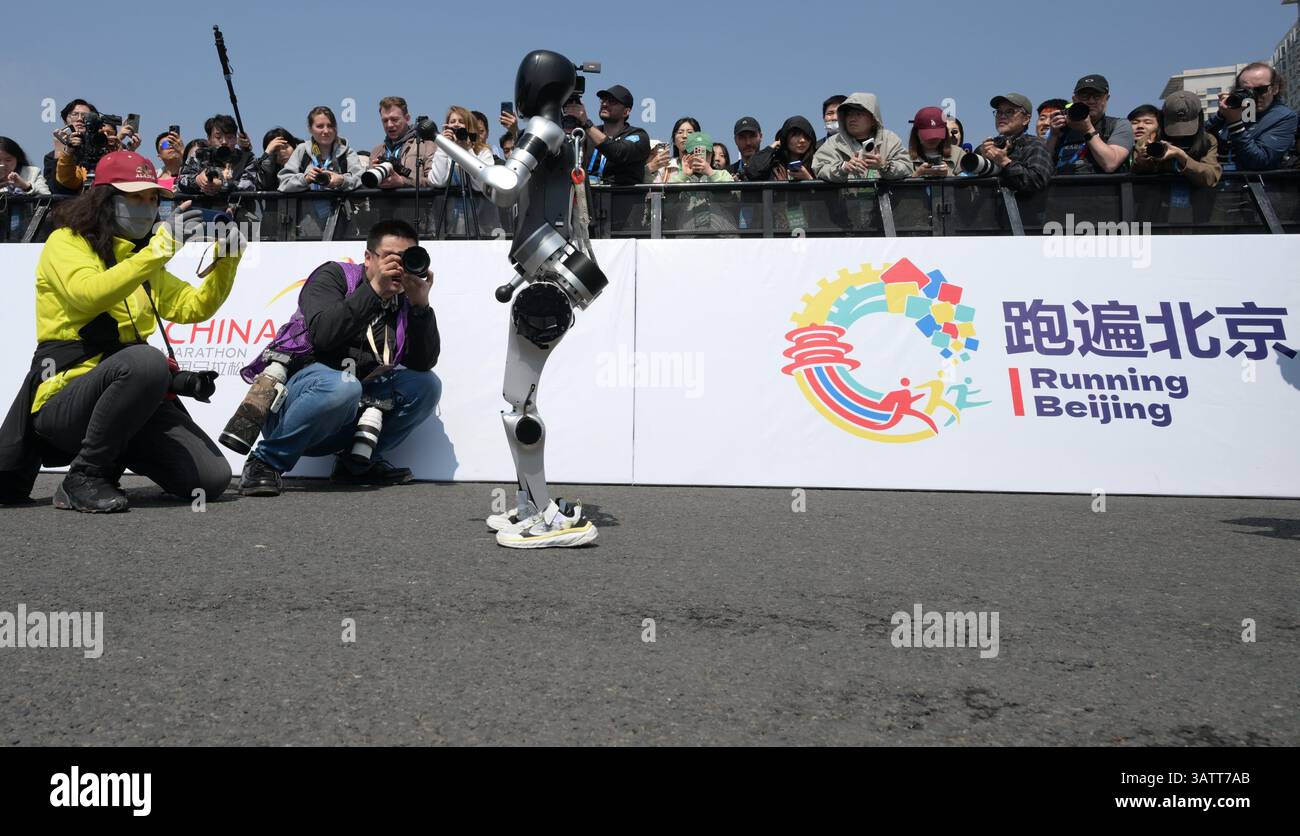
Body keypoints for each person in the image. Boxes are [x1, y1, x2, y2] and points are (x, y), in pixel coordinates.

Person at [0, 151, 244, 510]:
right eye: (135, 197)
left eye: (153, 198)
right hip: (64, 401)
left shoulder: (141, 253)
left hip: (128, 399)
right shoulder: (66, 242)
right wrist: (159, 250)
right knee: (146, 362)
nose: (147, 207)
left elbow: (193, 307)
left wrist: (227, 260)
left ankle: (112, 455)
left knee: (210, 479)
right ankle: (84, 476)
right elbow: (88, 296)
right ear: (104, 199)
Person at [238, 219, 441, 497]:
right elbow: (324, 335)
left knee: (426, 385)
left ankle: (355, 464)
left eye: (407, 260)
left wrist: (420, 307)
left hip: (354, 410)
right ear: (368, 258)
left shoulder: (404, 300)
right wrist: (374, 292)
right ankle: (264, 462)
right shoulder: (333, 276)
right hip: (297, 403)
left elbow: (422, 363)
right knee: (344, 384)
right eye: (391, 259)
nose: (398, 268)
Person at [1206, 61, 1298, 172]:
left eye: (1260, 90)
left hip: (1257, 186)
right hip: (1219, 183)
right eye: (1247, 91)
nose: (1254, 96)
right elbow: (1200, 140)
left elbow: (1260, 161)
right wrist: (1221, 115)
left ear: (1275, 89)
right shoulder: (1235, 111)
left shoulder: (1285, 117)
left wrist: (1235, 123)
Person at [427, 105, 500, 236]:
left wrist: (468, 149)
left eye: (461, 122)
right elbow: (437, 181)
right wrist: (444, 145)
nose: (456, 125)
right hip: (447, 227)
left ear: (469, 127)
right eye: (452, 121)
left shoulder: (483, 152)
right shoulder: (442, 152)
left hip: (480, 227)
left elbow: (481, 185)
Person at [812, 92, 913, 181]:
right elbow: (819, 168)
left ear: (874, 118)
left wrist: (884, 165)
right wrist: (843, 168)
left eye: (858, 114)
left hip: (883, 201)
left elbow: (907, 167)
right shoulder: (833, 143)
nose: (852, 119)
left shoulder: (889, 140)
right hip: (844, 201)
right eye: (849, 114)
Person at [1045, 74, 1134, 174]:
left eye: (1097, 96)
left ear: (1106, 98)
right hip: (1064, 188)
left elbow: (1110, 164)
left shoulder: (1119, 125)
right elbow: (1043, 168)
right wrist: (1053, 136)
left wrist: (1088, 130)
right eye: (1084, 96)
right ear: (1075, 99)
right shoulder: (1062, 128)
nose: (1091, 101)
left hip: (1103, 188)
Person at [564, 83, 651, 186]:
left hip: (621, 199)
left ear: (626, 112)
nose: (604, 104)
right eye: (603, 100)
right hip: (588, 198)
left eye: (612, 101)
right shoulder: (586, 133)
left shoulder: (639, 136)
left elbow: (617, 152)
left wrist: (586, 123)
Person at [1131, 91, 1221, 188]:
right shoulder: (1149, 139)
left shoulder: (1207, 140)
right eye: (1174, 127)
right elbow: (1135, 174)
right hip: (1160, 198)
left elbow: (1210, 178)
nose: (1180, 135)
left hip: (1196, 199)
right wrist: (1142, 160)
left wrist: (1182, 156)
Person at [971, 94, 1053, 194]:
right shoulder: (986, 147)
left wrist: (1005, 162)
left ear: (1026, 119)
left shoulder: (1036, 145)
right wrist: (982, 159)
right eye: (999, 112)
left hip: (1022, 208)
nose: (1002, 116)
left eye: (1010, 112)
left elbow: (1037, 182)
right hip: (988, 207)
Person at [176, 114, 256, 207]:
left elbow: (249, 186)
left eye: (229, 137)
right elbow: (181, 181)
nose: (224, 142)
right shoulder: (199, 155)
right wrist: (197, 181)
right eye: (218, 137)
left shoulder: (247, 158)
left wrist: (222, 185)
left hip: (237, 217)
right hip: (200, 216)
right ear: (209, 139)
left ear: (235, 139)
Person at [279, 106, 362, 192]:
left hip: (339, 205)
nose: (326, 131)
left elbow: (360, 179)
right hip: (308, 205)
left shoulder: (346, 151)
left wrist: (342, 180)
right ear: (310, 129)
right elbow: (284, 183)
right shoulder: (302, 150)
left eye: (330, 126)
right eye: (320, 126)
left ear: (335, 128)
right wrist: (305, 179)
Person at [368, 96, 434, 189]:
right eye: (385, 120)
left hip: (415, 203)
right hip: (381, 203)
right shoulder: (376, 151)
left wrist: (403, 182)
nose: (389, 125)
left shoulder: (426, 144)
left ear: (407, 118)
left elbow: (434, 182)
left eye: (394, 119)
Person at [741, 116, 819, 181]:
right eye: (796, 135)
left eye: (806, 136)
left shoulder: (817, 162)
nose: (802, 140)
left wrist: (809, 179)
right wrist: (772, 147)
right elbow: (752, 171)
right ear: (785, 138)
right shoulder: (775, 164)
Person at [238, 127, 301, 192]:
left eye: (285, 147)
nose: (281, 153)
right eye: (275, 150)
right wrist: (268, 152)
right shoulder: (269, 177)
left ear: (294, 147)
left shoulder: (306, 161)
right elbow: (259, 181)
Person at [907, 106, 963, 176]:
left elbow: (969, 185)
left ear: (945, 132)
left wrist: (948, 176)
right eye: (928, 134)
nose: (932, 138)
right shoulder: (905, 157)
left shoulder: (958, 155)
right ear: (916, 133)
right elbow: (897, 186)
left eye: (937, 134)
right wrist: (916, 176)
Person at [646, 117, 701, 184]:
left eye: (690, 132)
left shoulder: (705, 166)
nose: (684, 136)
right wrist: (650, 167)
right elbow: (653, 189)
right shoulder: (666, 168)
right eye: (680, 132)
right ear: (674, 141)